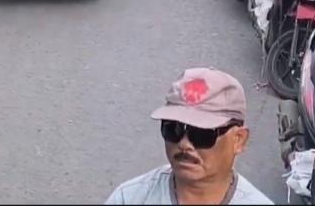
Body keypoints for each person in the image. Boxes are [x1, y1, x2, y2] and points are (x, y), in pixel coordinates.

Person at [106, 68, 272, 205]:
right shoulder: (129, 198)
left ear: (238, 140)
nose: (184, 144)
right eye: (173, 129)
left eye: (202, 133)